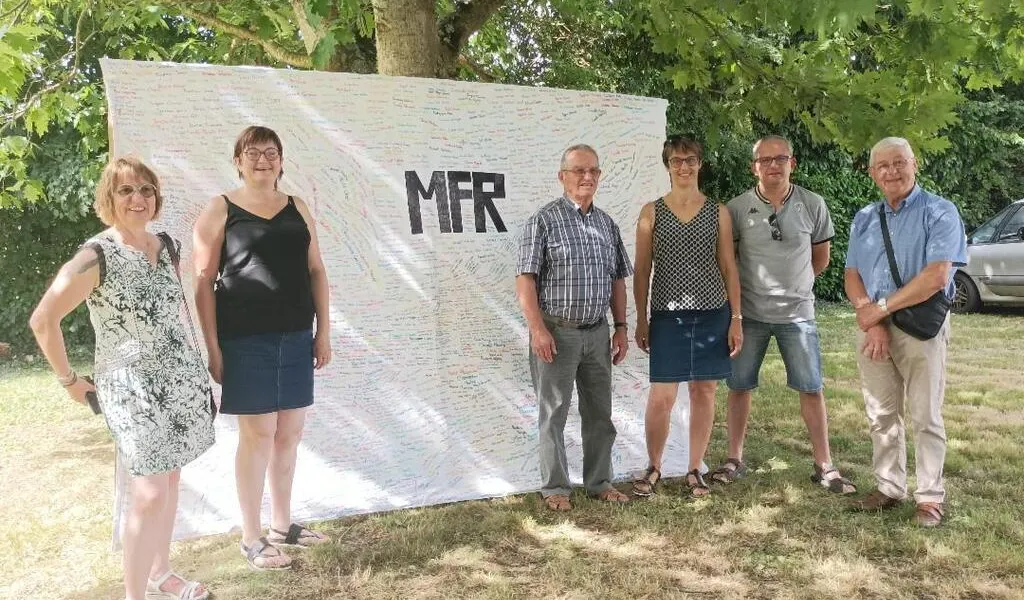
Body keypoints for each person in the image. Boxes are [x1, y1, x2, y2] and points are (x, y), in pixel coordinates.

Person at [30, 157, 215, 600]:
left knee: (169, 480)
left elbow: (174, 316)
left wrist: (200, 371)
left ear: (156, 198)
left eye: (146, 190)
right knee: (149, 491)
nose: (138, 199)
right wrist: (69, 380)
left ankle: (162, 573)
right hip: (132, 390)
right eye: (126, 191)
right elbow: (43, 319)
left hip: (180, 381)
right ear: (108, 199)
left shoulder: (166, 245)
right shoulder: (96, 256)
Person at [192, 126, 332, 569]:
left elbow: (317, 271)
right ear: (237, 160)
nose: (262, 160)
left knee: (289, 434)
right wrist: (213, 348)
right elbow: (202, 283)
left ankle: (282, 525)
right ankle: (251, 536)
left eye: (270, 153)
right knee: (258, 436)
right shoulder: (221, 208)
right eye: (252, 152)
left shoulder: (297, 208)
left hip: (295, 336)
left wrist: (322, 331)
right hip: (243, 339)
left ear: (281, 161)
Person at [710, 135, 856, 494]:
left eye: (781, 158)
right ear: (753, 167)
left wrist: (796, 285)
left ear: (793, 163)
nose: (773, 165)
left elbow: (820, 259)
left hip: (798, 315)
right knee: (739, 386)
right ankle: (734, 459)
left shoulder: (813, 204)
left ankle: (824, 464)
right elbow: (730, 264)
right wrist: (737, 314)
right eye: (765, 160)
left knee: (811, 387)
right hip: (749, 315)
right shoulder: (737, 208)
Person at [844, 136, 967, 527]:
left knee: (925, 414)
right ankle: (888, 487)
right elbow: (852, 275)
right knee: (881, 413)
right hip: (875, 328)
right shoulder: (864, 217)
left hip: (920, 328)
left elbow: (936, 276)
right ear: (871, 173)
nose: (892, 171)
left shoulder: (940, 212)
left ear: (915, 164)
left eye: (899, 163)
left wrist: (882, 309)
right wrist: (875, 320)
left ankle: (930, 498)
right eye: (883, 165)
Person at [515, 143, 633, 511]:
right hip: (556, 332)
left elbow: (617, 280)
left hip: (597, 333)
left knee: (600, 413)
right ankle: (555, 488)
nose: (587, 177)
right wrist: (537, 329)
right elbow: (526, 280)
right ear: (562, 176)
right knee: (554, 413)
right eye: (579, 170)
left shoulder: (606, 224)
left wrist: (621, 327)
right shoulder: (543, 221)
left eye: (593, 171)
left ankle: (600, 482)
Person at [630, 136, 743, 499]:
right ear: (667, 165)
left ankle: (695, 468)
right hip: (667, 316)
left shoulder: (718, 212)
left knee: (704, 391)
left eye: (690, 159)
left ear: (700, 163)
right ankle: (654, 466)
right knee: (662, 396)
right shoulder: (651, 212)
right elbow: (642, 269)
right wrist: (642, 319)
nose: (684, 167)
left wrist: (736, 317)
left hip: (713, 313)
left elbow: (728, 265)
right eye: (677, 161)